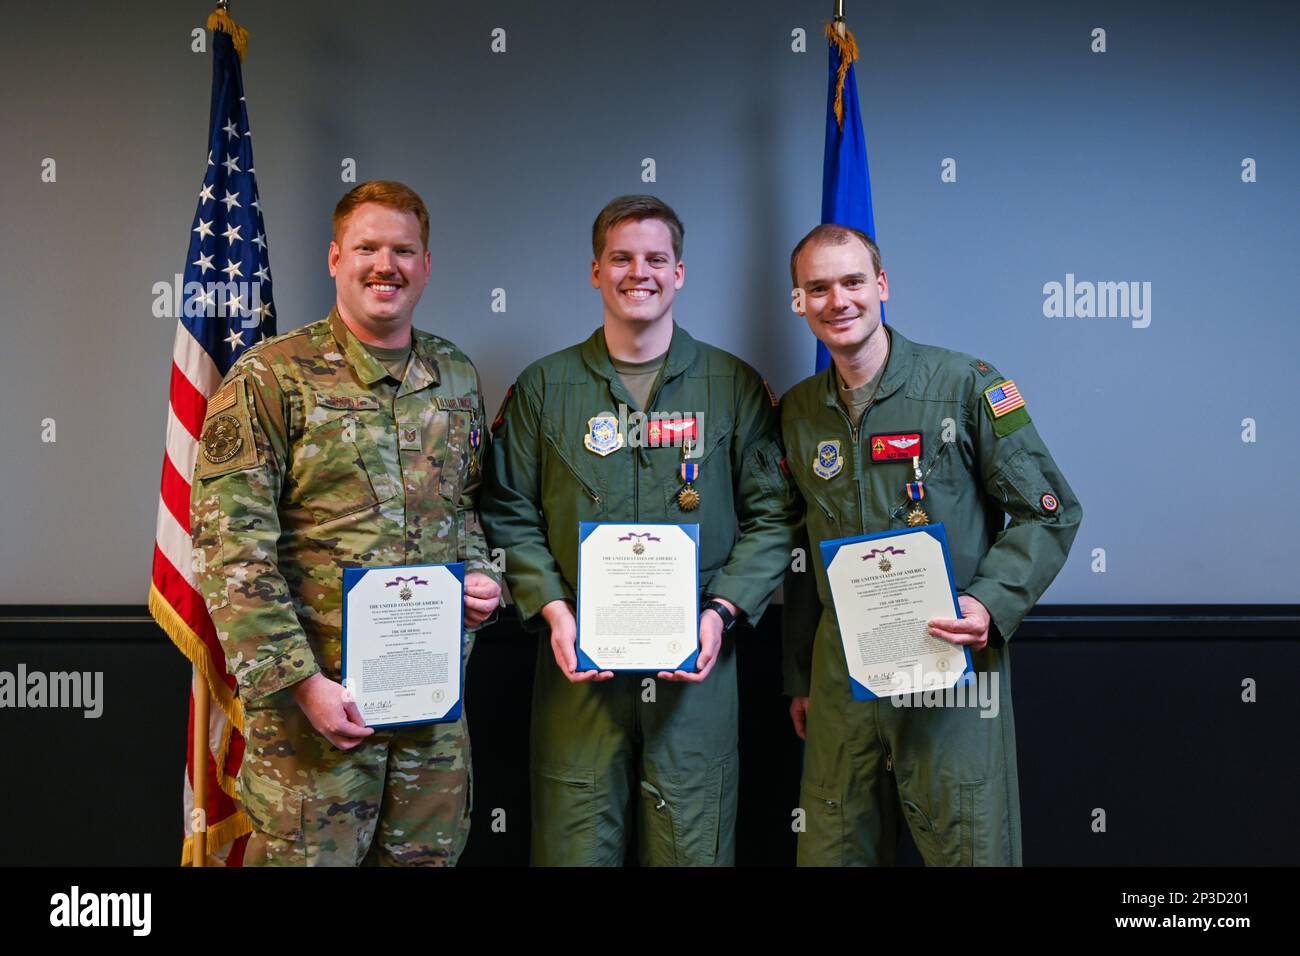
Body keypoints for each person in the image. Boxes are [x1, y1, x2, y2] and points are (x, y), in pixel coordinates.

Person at [480, 195, 800, 866]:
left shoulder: (733, 386)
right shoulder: (546, 388)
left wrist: (722, 611)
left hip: (697, 668)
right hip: (578, 669)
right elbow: (506, 509)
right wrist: (553, 608)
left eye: (656, 258)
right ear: (595, 271)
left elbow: (774, 516)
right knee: (573, 847)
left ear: (679, 272)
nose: (639, 272)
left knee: (694, 845)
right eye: (621, 258)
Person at [190, 180, 502, 866]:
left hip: (429, 714)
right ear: (335, 259)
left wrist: (481, 577)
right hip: (315, 720)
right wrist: (304, 686)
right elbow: (230, 550)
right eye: (367, 248)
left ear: (426, 264)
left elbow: (468, 511)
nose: (384, 265)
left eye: (402, 249)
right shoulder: (271, 378)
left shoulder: (452, 374)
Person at [780, 224, 1082, 866]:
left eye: (854, 281)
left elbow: (1049, 512)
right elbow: (798, 552)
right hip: (843, 679)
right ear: (800, 302)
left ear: (882, 286)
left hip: (951, 670)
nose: (839, 300)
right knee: (832, 852)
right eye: (819, 287)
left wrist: (988, 605)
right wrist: (801, 676)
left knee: (972, 849)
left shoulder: (966, 386)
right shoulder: (797, 411)